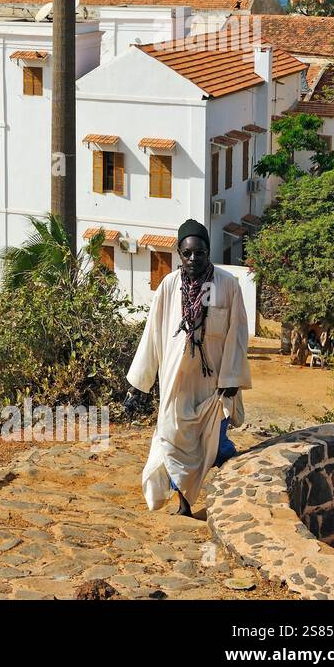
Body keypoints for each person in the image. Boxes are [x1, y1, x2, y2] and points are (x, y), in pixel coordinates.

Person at [125, 219, 250, 516]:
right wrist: (138, 387)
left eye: (200, 253)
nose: (193, 259)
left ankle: (236, 482)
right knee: (172, 442)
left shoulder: (228, 286)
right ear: (179, 254)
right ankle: (184, 503)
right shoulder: (169, 286)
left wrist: (231, 377)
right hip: (175, 385)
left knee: (212, 444)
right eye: (187, 254)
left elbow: (238, 334)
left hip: (212, 388)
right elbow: (152, 335)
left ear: (209, 252)